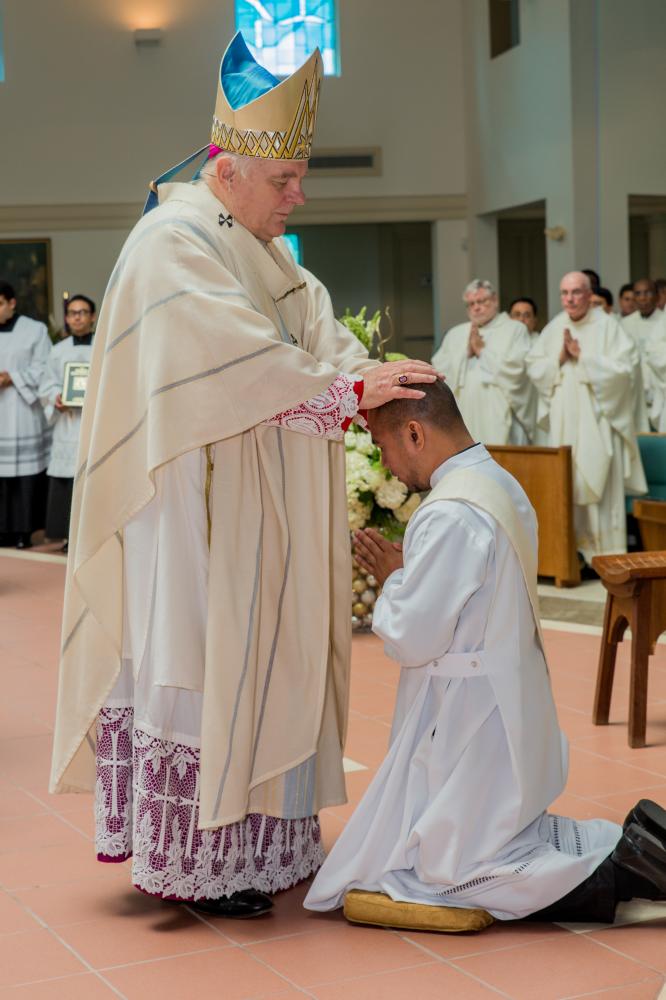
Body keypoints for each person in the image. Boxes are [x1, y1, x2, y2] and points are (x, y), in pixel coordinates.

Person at [49, 33, 439, 920]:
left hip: (267, 511)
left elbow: (319, 337)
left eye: (301, 178)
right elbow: (231, 362)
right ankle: (205, 857)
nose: (298, 196)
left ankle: (263, 838)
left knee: (269, 659)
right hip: (193, 512)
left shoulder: (275, 257)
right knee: (204, 659)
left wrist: (373, 379)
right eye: (284, 181)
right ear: (227, 171)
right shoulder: (169, 244)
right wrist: (343, 388)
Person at [305, 381, 666, 924]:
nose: (386, 463)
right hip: (501, 691)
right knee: (460, 840)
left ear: (414, 432)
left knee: (446, 870)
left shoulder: (450, 510)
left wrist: (393, 581)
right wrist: (413, 573)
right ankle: (642, 842)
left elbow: (413, 637)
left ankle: (625, 872)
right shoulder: (495, 480)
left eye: (383, 446)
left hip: (468, 715)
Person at [526, 272, 645, 563]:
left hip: (600, 421)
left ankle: (606, 558)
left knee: (601, 487)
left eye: (576, 292)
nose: (570, 299)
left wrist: (585, 358)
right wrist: (559, 359)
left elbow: (626, 371)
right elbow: (534, 368)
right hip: (565, 421)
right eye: (565, 293)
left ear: (589, 294)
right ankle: (572, 557)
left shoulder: (608, 327)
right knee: (569, 483)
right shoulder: (555, 328)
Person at [432, 279, 535, 445]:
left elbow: (518, 370)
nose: (476, 307)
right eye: (471, 304)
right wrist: (465, 353)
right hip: (464, 409)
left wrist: (482, 351)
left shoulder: (515, 329)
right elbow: (440, 372)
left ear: (495, 300)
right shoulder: (455, 334)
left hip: (496, 410)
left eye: (481, 301)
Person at [39, 295, 96, 550]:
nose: (77, 317)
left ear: (93, 317)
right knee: (67, 481)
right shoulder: (58, 350)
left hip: (95, 425)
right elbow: (46, 384)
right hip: (69, 423)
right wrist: (56, 398)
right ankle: (67, 537)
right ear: (67, 318)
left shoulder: (104, 346)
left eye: (83, 312)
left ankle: (95, 536)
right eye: (73, 312)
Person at [0, 280, 51, 548]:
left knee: (23, 479)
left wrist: (12, 377)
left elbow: (45, 368)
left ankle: (23, 531)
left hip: (21, 411)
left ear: (11, 303)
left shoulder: (35, 330)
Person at [621, 278, 666, 432]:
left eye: (647, 293)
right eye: (638, 293)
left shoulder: (663, 321)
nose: (642, 298)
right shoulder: (624, 324)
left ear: (657, 296)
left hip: (658, 390)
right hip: (635, 392)